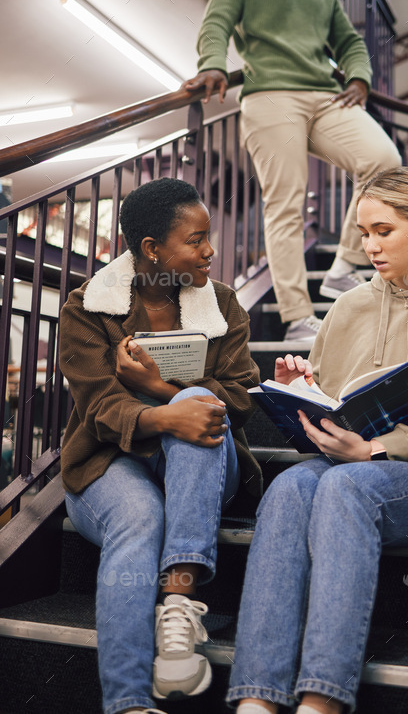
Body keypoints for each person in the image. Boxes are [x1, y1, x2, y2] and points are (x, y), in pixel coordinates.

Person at [226, 167, 408, 714]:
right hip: (349, 467)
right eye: (362, 233)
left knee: (346, 488)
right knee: (286, 489)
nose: (369, 246)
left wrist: (376, 450)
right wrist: (301, 394)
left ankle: (321, 699)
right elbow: (334, 406)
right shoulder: (348, 307)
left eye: (384, 231)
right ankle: (257, 698)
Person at [59, 177, 262, 714]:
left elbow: (240, 397)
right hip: (108, 467)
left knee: (200, 398)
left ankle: (178, 599)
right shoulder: (88, 308)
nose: (210, 250)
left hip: (204, 467)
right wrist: (164, 416)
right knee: (141, 516)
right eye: (196, 240)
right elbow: (99, 406)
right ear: (152, 250)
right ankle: (128, 704)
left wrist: (159, 392)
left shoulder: (220, 303)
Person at [184, 0, 402, 343]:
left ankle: (346, 263)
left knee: (385, 161)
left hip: (325, 96)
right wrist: (212, 65)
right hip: (270, 96)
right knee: (286, 203)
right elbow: (217, 23)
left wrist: (360, 76)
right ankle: (297, 318)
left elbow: (350, 43)